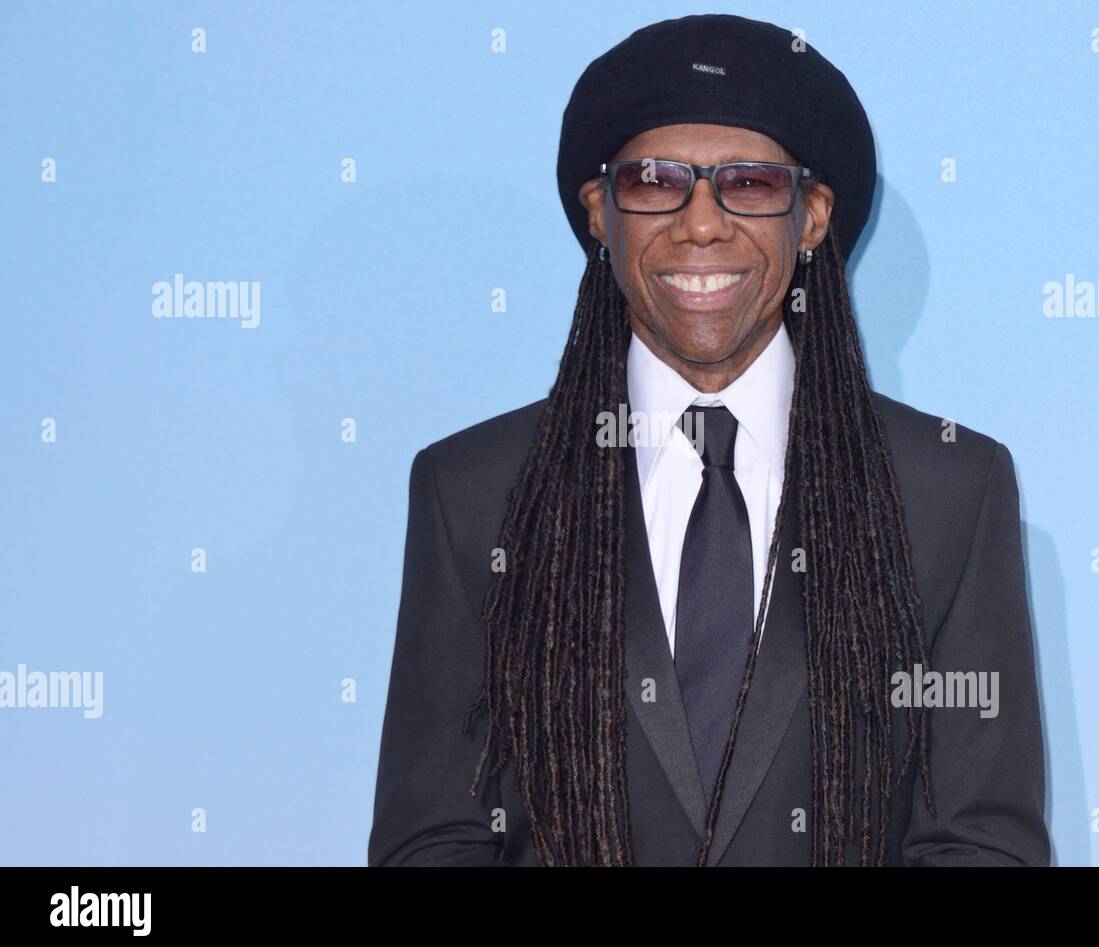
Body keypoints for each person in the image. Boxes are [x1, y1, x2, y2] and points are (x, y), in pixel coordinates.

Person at [368, 13, 1050, 866]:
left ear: (811, 218)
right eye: (655, 182)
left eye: (750, 184)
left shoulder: (949, 489)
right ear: (599, 213)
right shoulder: (472, 491)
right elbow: (433, 839)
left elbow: (982, 842)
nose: (699, 224)